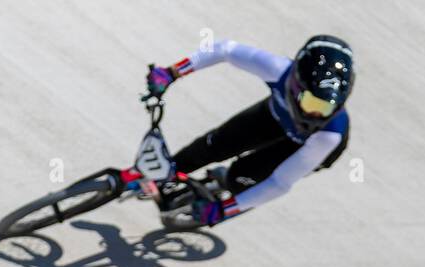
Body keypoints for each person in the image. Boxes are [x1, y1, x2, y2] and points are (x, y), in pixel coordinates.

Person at [143, 35, 353, 226]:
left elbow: (279, 183)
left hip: (305, 146)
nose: (318, 116)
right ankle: (161, 176)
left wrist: (223, 211)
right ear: (296, 85)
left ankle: (228, 187)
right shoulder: (278, 69)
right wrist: (172, 72)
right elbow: (224, 50)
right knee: (211, 146)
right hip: (276, 116)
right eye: (311, 104)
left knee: (241, 178)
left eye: (327, 108)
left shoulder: (329, 135)